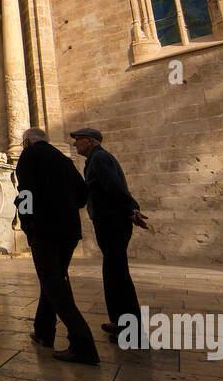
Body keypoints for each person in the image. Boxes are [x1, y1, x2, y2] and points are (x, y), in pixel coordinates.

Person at [15, 127, 99, 365]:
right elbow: (83, 194)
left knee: (54, 284)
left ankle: (83, 344)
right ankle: (43, 331)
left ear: (28, 142)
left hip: (44, 230)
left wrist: (27, 224)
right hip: (69, 231)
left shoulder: (29, 156)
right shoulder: (63, 159)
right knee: (53, 278)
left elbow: (25, 193)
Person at [70, 127, 149, 343]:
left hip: (111, 221)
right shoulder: (98, 158)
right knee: (114, 273)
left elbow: (114, 187)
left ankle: (130, 329)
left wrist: (130, 210)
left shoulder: (99, 159)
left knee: (118, 275)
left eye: (78, 140)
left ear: (89, 141)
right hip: (110, 219)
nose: (75, 144)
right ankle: (120, 322)